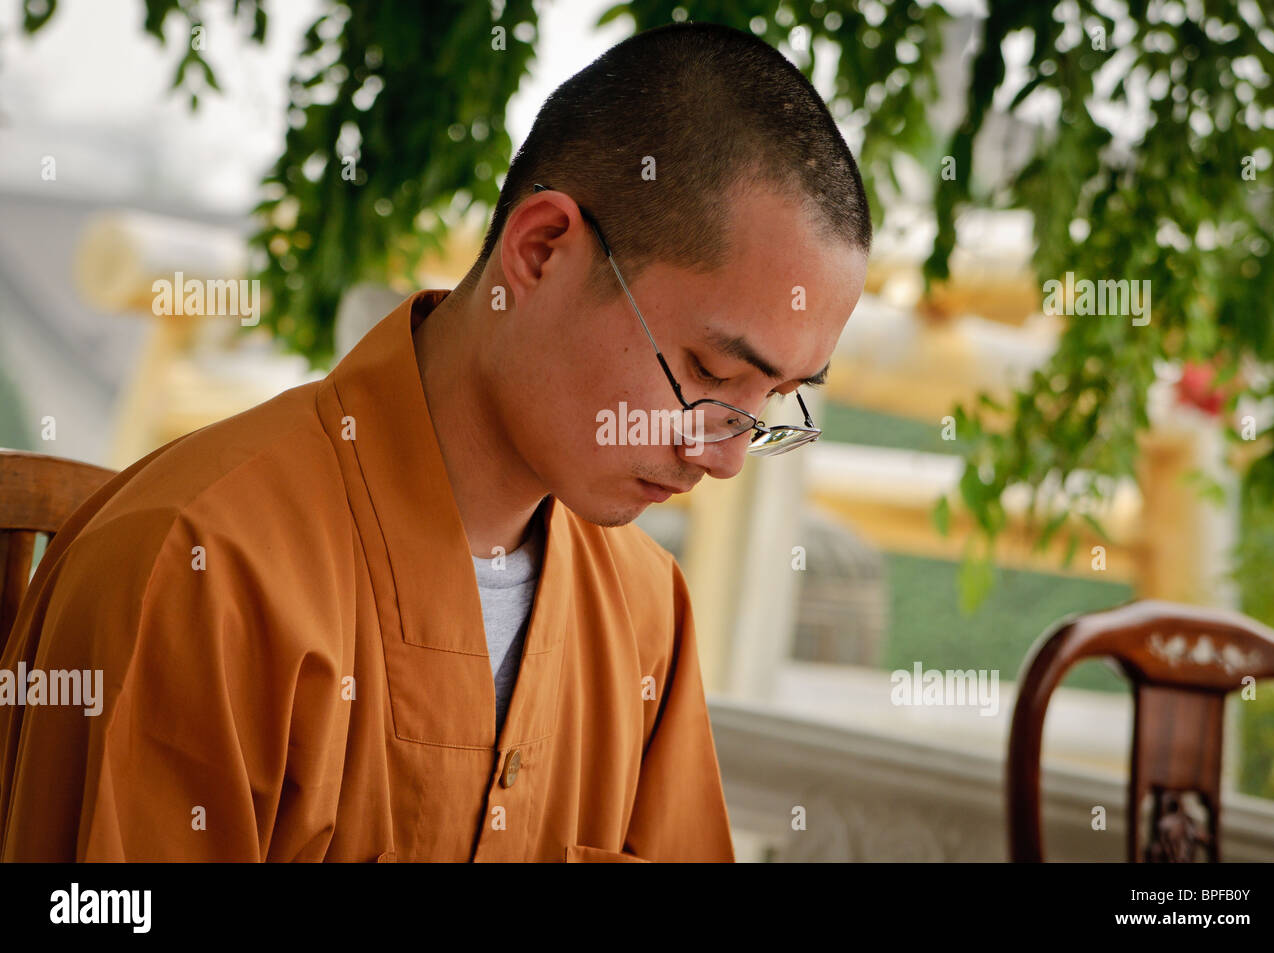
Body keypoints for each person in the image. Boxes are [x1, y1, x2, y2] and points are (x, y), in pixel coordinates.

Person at [0, 20, 870, 861]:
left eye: (771, 402)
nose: (722, 456)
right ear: (540, 251)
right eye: (710, 372)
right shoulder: (201, 570)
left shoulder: (646, 615)